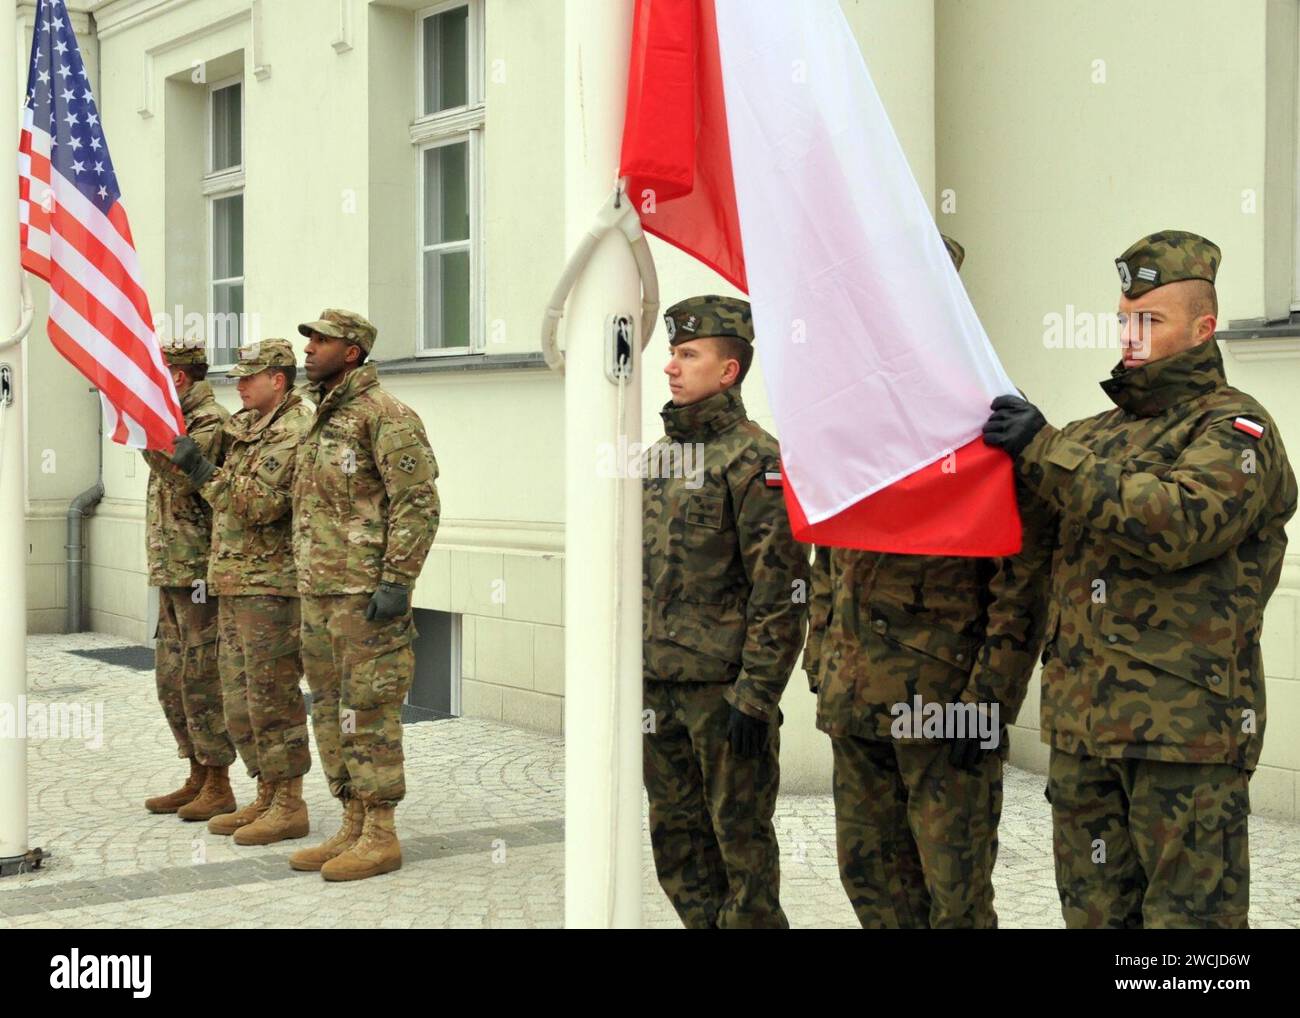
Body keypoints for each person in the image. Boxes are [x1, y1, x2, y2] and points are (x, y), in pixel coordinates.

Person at [983, 230, 1298, 928]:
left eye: (1150, 320)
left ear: (1202, 328)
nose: (1130, 334)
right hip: (1083, 736)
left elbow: (1175, 523)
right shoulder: (1092, 434)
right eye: (1125, 318)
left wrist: (1043, 447)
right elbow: (1032, 548)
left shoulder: (1236, 430)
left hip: (1184, 741)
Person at [804, 236, 1053, 928]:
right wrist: (821, 656)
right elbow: (828, 546)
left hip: (945, 705)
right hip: (856, 702)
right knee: (872, 885)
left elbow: (1022, 580)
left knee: (956, 900)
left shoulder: (989, 413)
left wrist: (989, 700)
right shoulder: (850, 412)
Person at [642, 294, 809, 928]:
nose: (671, 367)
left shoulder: (755, 460)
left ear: (728, 370)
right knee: (677, 842)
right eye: (672, 353)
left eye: (688, 354)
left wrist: (757, 695)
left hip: (724, 694)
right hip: (658, 685)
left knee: (740, 846)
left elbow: (783, 588)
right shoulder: (659, 457)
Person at [289, 309, 440, 881]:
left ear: (351, 352)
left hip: (364, 595)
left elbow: (418, 503)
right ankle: (351, 819)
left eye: (321, 340)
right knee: (329, 709)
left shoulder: (387, 415)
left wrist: (398, 581)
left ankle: (381, 832)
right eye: (309, 340)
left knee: (368, 710)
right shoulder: (320, 419)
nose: (310, 349)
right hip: (321, 592)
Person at [170, 338, 314, 845]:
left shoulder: (295, 430)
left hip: (272, 584)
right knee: (239, 697)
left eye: (249, 377)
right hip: (234, 578)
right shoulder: (247, 425)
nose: (239, 385)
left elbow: (259, 504)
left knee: (273, 695)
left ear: (278, 379)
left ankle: (290, 801)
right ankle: (266, 791)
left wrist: (201, 470)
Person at [142, 341, 235, 820]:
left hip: (198, 570)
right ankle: (196, 772)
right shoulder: (171, 419)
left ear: (177, 377)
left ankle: (219, 779)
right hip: (171, 569)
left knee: (202, 678)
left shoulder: (210, 420)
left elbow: (182, 476)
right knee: (171, 677)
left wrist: (143, 427)